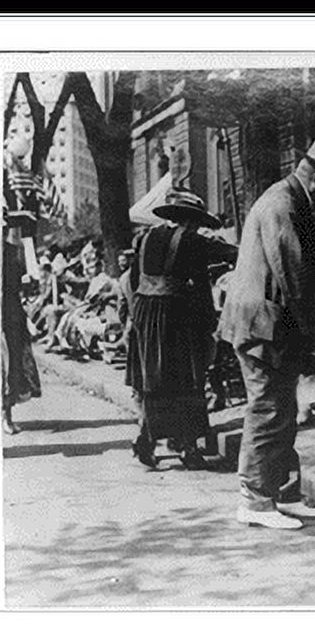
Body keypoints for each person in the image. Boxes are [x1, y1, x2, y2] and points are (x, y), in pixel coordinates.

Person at [218, 137, 315, 529]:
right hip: (264, 325)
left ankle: (279, 492)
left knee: (283, 408)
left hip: (270, 323)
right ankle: (256, 500)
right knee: (268, 409)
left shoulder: (288, 199)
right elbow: (293, 275)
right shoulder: (284, 204)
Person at [126, 187, 219, 471]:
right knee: (186, 378)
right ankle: (189, 448)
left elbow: (132, 280)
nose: (198, 228)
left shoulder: (144, 238)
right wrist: (208, 324)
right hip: (175, 314)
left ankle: (146, 440)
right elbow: (202, 287)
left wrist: (137, 314)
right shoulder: (191, 241)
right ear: (190, 220)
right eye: (197, 223)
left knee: (152, 377)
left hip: (144, 311)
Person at [1, 135, 43, 434]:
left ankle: (6, 411)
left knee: (10, 350)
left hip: (6, 296)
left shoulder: (11, 247)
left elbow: (23, 235)